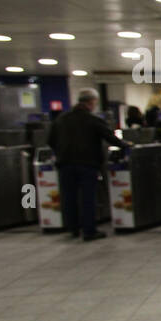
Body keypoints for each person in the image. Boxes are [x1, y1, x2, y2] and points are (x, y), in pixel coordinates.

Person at [47, 88, 125, 241]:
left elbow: (50, 140)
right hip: (87, 164)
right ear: (91, 102)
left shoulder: (61, 119)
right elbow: (110, 137)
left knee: (69, 197)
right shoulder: (92, 119)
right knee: (87, 198)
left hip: (64, 164)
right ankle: (89, 231)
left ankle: (73, 228)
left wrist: (61, 152)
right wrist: (126, 145)